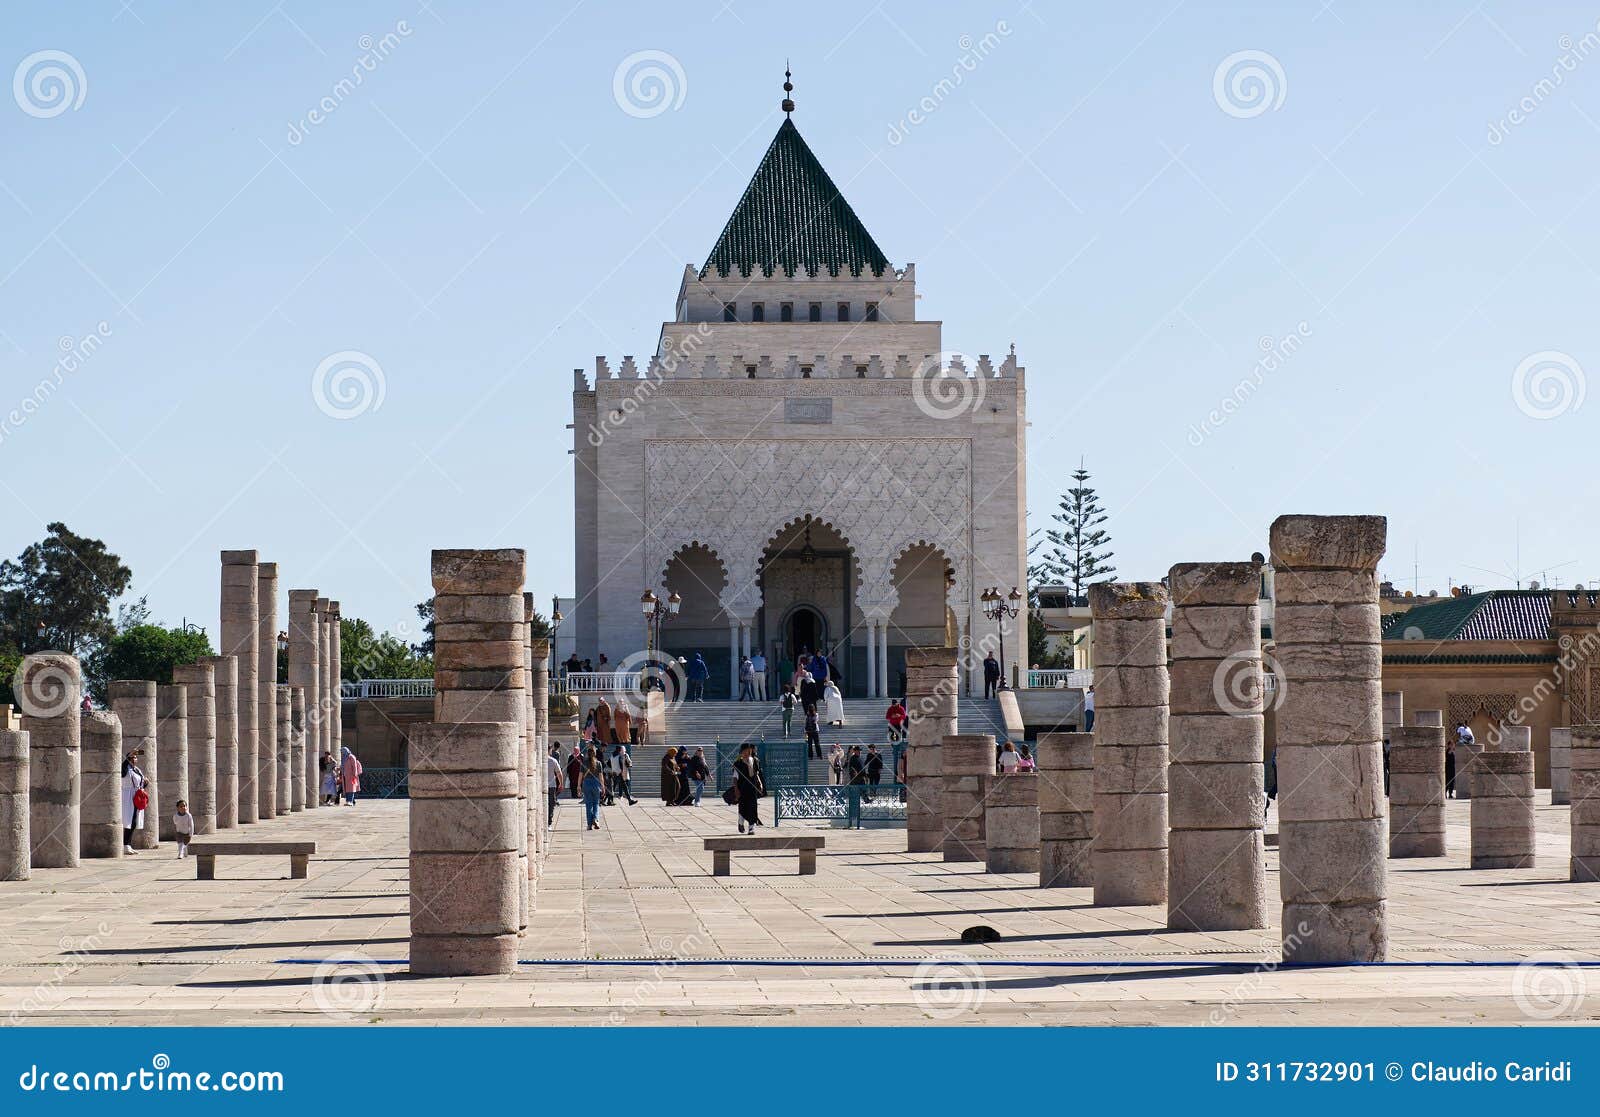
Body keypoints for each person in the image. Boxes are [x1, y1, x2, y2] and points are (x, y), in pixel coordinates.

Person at [733, 742, 764, 833]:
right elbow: (735, 777)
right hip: (742, 788)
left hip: (752, 788)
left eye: (749, 750)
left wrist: (760, 784)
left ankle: (751, 828)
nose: (748, 752)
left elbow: (756, 774)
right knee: (743, 807)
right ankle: (741, 822)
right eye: (746, 751)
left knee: (753, 807)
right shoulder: (738, 763)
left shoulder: (755, 760)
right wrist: (736, 789)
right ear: (742, 752)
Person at [120, 749, 147, 854]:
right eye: (133, 757)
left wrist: (145, 784)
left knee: (134, 821)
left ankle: (128, 845)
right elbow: (122, 769)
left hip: (137, 795)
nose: (135, 758)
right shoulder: (125, 768)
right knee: (129, 821)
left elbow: (139, 784)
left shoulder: (137, 770)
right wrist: (128, 756)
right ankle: (125, 845)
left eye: (136, 757)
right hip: (128, 795)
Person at [582, 759, 604, 831]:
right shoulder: (598, 763)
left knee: (588, 804)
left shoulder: (584, 762)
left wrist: (578, 785)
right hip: (596, 783)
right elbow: (601, 776)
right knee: (596, 803)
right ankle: (595, 819)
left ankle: (589, 825)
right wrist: (603, 786)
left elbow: (580, 774)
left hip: (586, 783)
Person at [547, 743, 563, 828]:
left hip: (541, 786)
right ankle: (549, 822)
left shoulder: (538, 760)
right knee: (551, 804)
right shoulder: (553, 760)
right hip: (551, 786)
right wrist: (561, 783)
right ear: (549, 750)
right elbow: (559, 773)